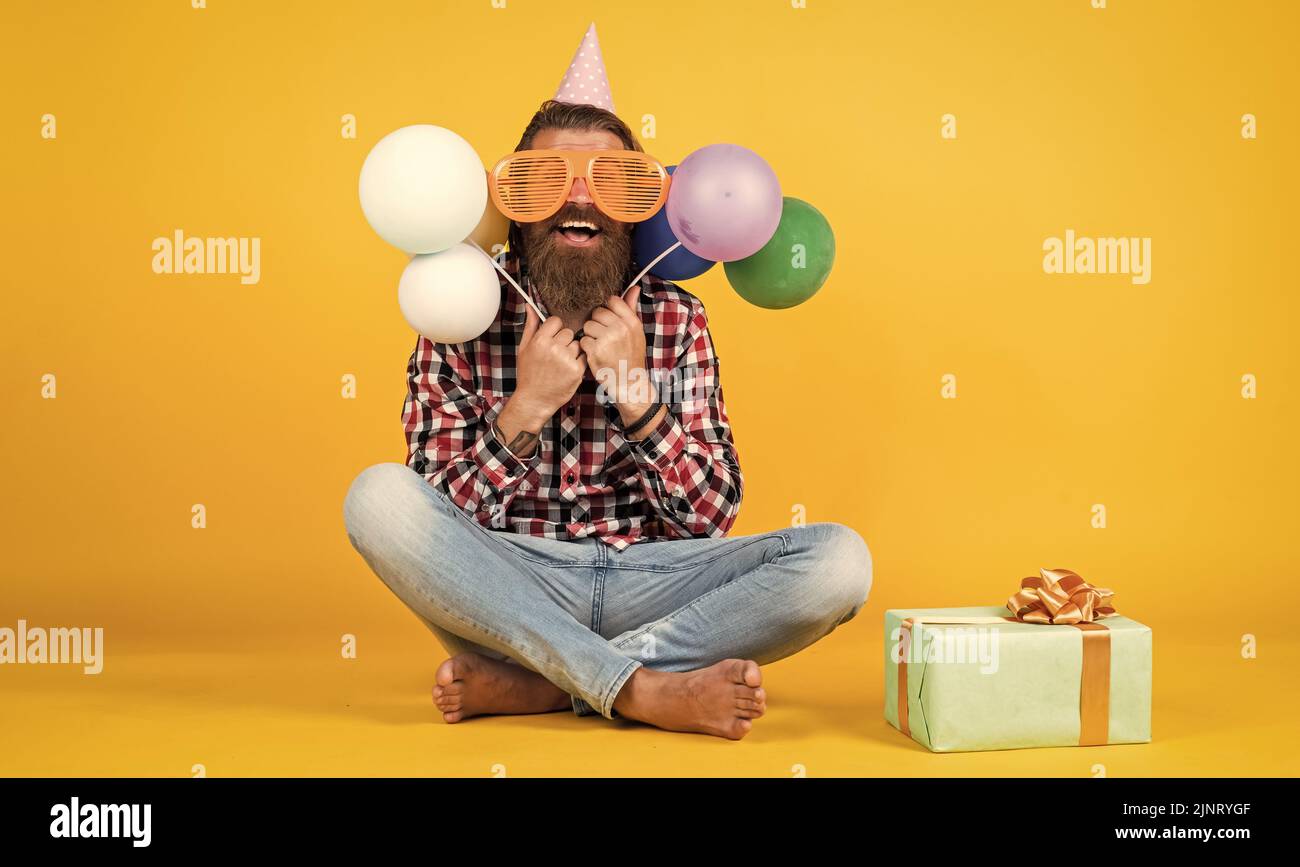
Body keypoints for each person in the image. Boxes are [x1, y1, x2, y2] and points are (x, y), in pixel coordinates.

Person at [344, 30, 870, 741]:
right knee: (376, 499)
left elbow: (708, 522)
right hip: (513, 584)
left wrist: (638, 397)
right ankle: (642, 688)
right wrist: (523, 410)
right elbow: (439, 528)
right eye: (547, 181)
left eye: (609, 182)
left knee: (839, 562)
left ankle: (550, 683)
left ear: (637, 208)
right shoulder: (459, 310)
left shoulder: (677, 318)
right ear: (516, 205)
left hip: (651, 579)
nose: (578, 199)